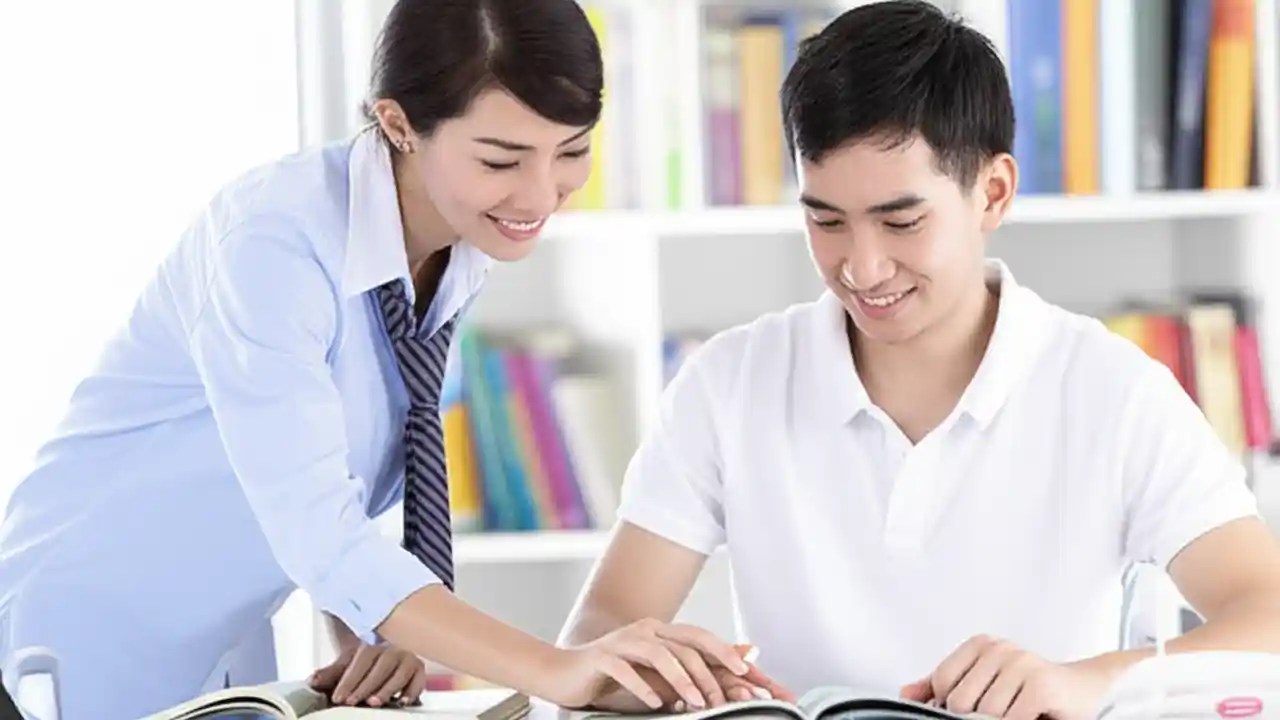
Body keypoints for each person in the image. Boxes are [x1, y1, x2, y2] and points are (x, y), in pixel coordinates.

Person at [0, 1, 768, 718]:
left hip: (222, 633)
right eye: (502, 160)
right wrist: (557, 667)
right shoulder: (274, 243)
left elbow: (335, 465)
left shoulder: (458, 244)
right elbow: (318, 525)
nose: (541, 193)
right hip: (83, 631)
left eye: (570, 151)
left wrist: (375, 630)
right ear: (397, 124)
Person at [559, 2, 1280, 718]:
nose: (863, 268)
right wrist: (654, 675)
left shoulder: (1113, 391)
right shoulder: (729, 384)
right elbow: (595, 633)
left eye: (901, 222)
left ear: (992, 192)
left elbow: (1269, 618)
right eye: (825, 220)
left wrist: (1090, 679)